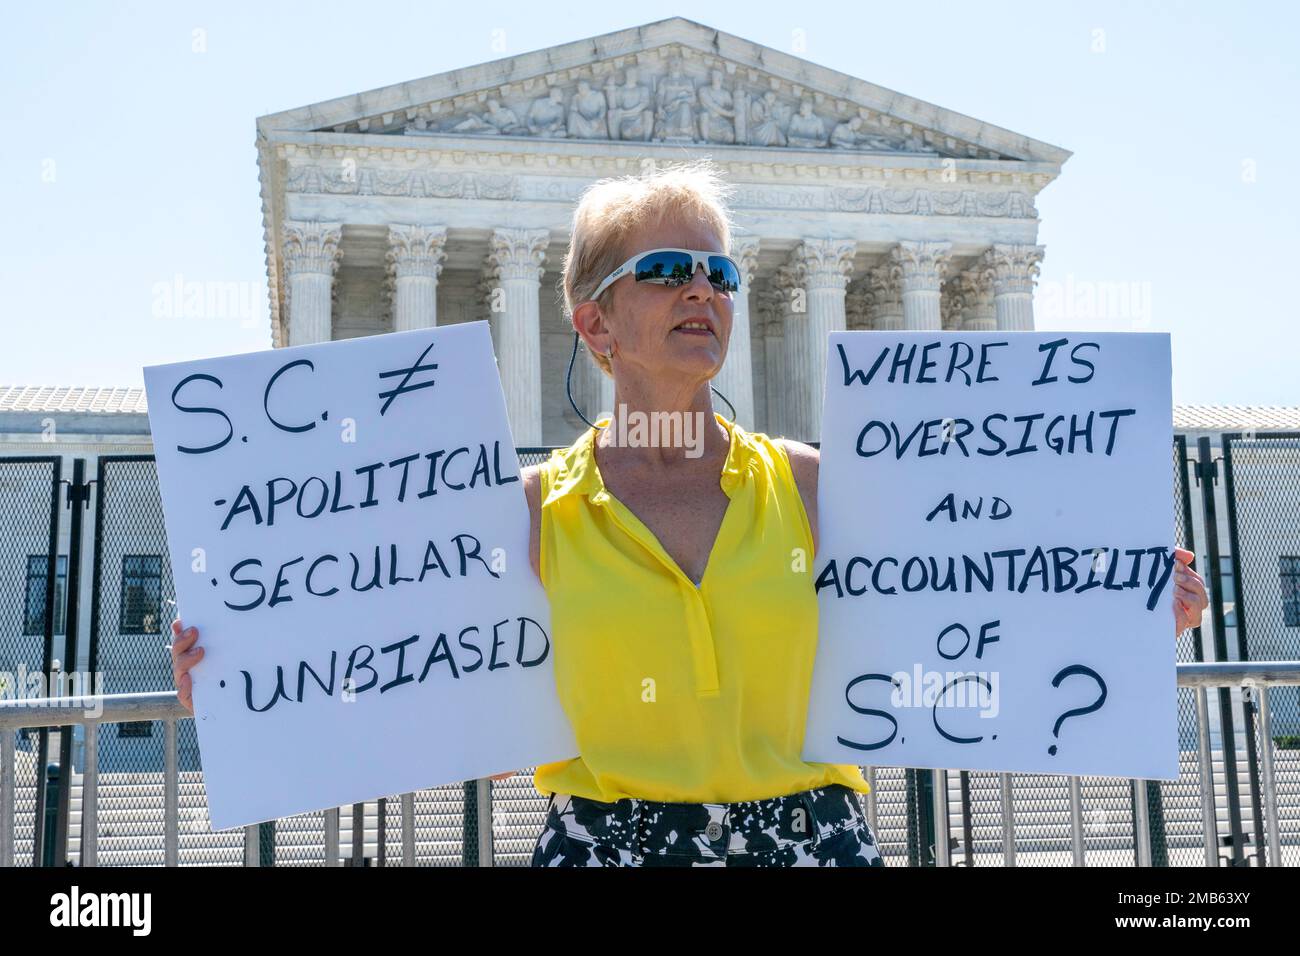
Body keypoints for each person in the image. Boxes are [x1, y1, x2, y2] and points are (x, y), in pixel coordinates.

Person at [170, 159, 1210, 867]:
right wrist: (246, 684)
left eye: (719, 273)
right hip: (608, 847)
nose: (701, 291)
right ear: (594, 322)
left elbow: (957, 639)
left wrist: (1115, 626)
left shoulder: (820, 488)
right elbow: (447, 712)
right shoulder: (522, 518)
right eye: (665, 271)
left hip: (812, 843)